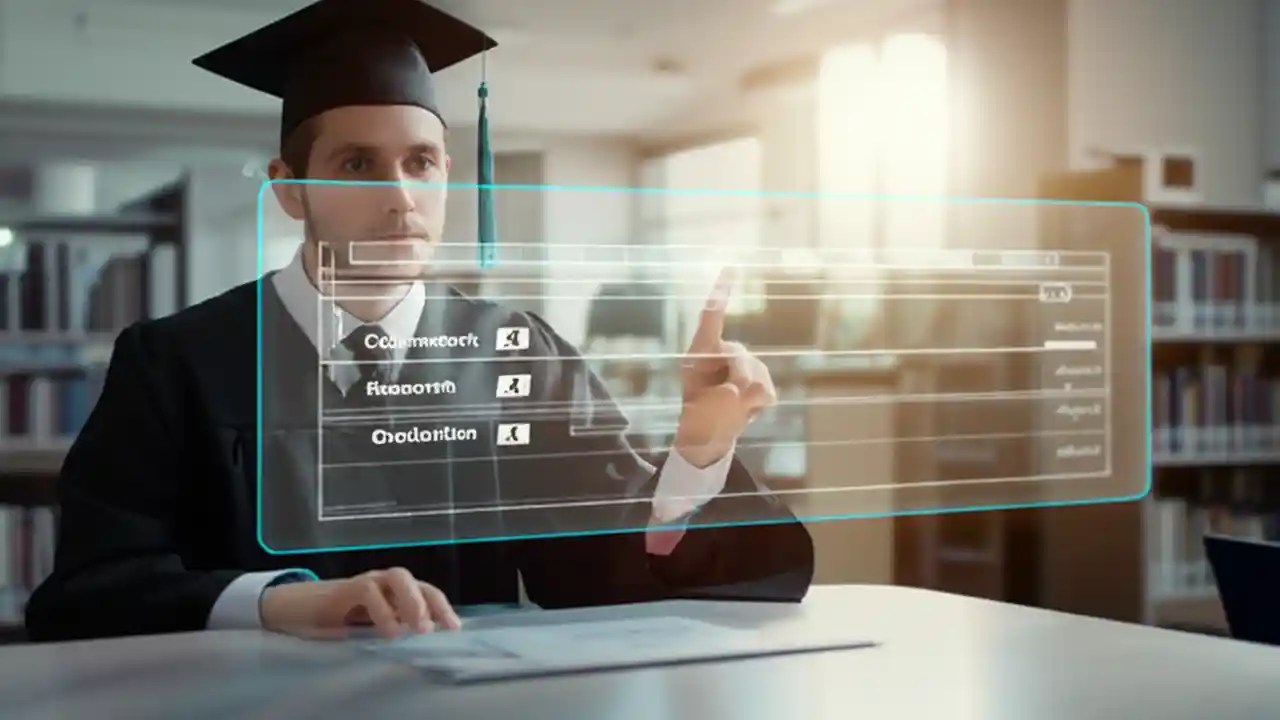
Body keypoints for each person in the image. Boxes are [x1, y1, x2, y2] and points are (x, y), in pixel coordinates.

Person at [25, 0, 813, 642]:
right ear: (291, 188)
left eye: (422, 162)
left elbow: (602, 568)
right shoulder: (178, 363)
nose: (400, 197)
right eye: (358, 164)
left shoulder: (518, 354)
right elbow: (91, 592)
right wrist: (279, 603)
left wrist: (698, 454)